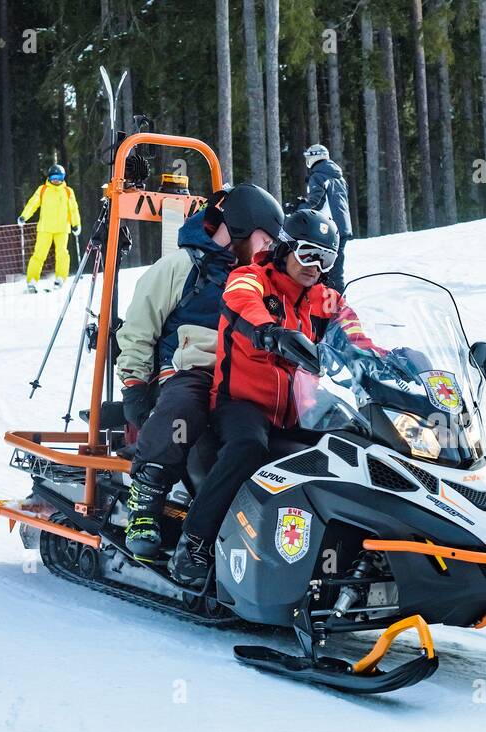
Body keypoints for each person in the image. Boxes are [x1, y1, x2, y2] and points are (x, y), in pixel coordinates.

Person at [168, 210, 346, 587]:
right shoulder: (250, 278)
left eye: (326, 258)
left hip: (300, 410)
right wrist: (270, 332)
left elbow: (354, 332)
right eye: (309, 254)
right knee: (249, 445)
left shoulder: (324, 299)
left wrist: (392, 361)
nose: (316, 266)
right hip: (241, 403)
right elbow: (240, 303)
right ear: (285, 249)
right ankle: (195, 541)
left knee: (351, 448)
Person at [117, 184, 284, 558]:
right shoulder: (181, 268)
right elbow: (138, 329)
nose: (268, 249)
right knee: (184, 408)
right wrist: (133, 384)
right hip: (187, 371)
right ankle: (145, 499)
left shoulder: (260, 279)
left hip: (239, 379)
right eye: (264, 239)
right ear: (241, 227)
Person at [296, 143, 353, 292]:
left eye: (309, 157)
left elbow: (315, 202)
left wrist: (298, 209)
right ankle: (338, 305)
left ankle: (329, 307)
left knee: (322, 268)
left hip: (327, 231)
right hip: (343, 228)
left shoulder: (318, 176)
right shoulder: (339, 178)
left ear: (315, 158)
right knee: (336, 269)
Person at [18, 164, 81, 292]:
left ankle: (60, 278)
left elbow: (73, 209)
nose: (56, 180)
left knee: (62, 254)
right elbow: (33, 203)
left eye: (59, 177)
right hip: (45, 228)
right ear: (49, 177)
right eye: (53, 177)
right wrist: (24, 216)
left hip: (62, 228)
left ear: (63, 178)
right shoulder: (43, 190)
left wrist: (76, 224)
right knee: (39, 254)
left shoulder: (68, 191)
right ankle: (32, 280)